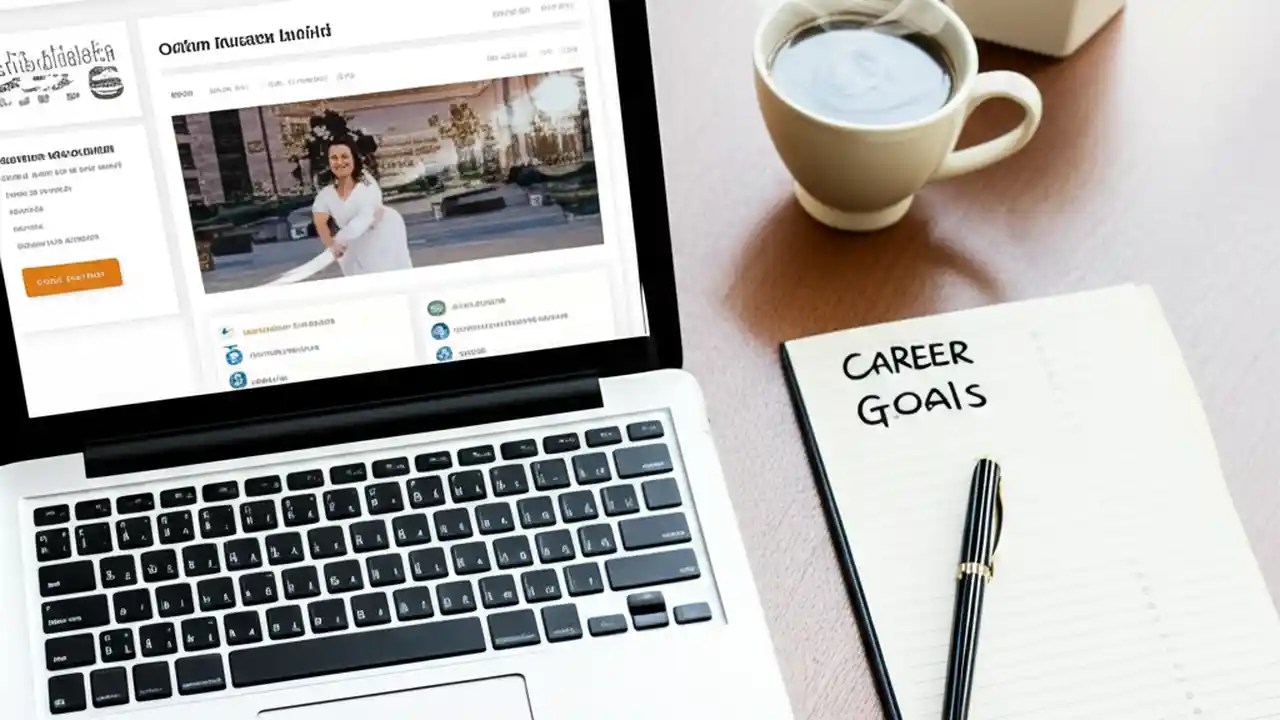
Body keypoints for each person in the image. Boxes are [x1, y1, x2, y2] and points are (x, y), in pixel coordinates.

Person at [311, 137, 412, 276]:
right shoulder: (326, 194)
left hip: (382, 231)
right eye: (334, 158)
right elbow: (320, 221)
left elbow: (369, 214)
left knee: (388, 275)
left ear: (353, 158)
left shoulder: (366, 183)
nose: (339, 162)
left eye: (344, 156)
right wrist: (331, 243)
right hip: (353, 241)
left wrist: (341, 237)